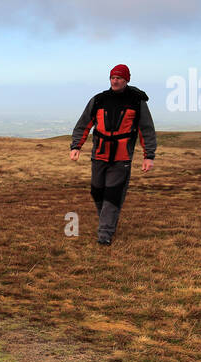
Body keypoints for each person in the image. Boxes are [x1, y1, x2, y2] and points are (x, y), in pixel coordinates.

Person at [69, 64, 156, 245]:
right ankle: (108, 220)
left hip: (121, 158)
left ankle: (105, 234)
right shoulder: (99, 100)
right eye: (113, 77)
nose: (115, 81)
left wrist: (149, 156)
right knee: (97, 192)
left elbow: (146, 129)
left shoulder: (137, 101)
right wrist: (76, 146)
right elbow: (83, 124)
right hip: (99, 155)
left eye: (119, 78)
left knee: (113, 195)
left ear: (127, 80)